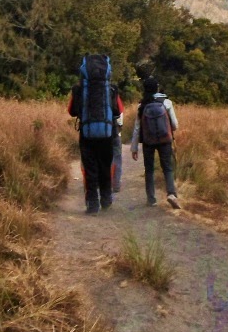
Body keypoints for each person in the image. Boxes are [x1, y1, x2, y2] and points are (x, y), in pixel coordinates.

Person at [68, 54, 124, 214]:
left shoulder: (78, 89)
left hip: (86, 134)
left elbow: (71, 111)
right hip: (107, 132)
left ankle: (92, 205)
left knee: (90, 168)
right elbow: (118, 111)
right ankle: (106, 200)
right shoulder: (112, 89)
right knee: (105, 166)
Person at [130, 77, 181, 209]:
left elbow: (137, 128)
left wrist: (134, 148)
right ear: (157, 88)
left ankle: (151, 199)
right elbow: (175, 125)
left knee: (149, 170)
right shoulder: (166, 102)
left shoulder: (142, 105)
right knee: (168, 168)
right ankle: (171, 194)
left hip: (148, 141)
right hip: (165, 140)